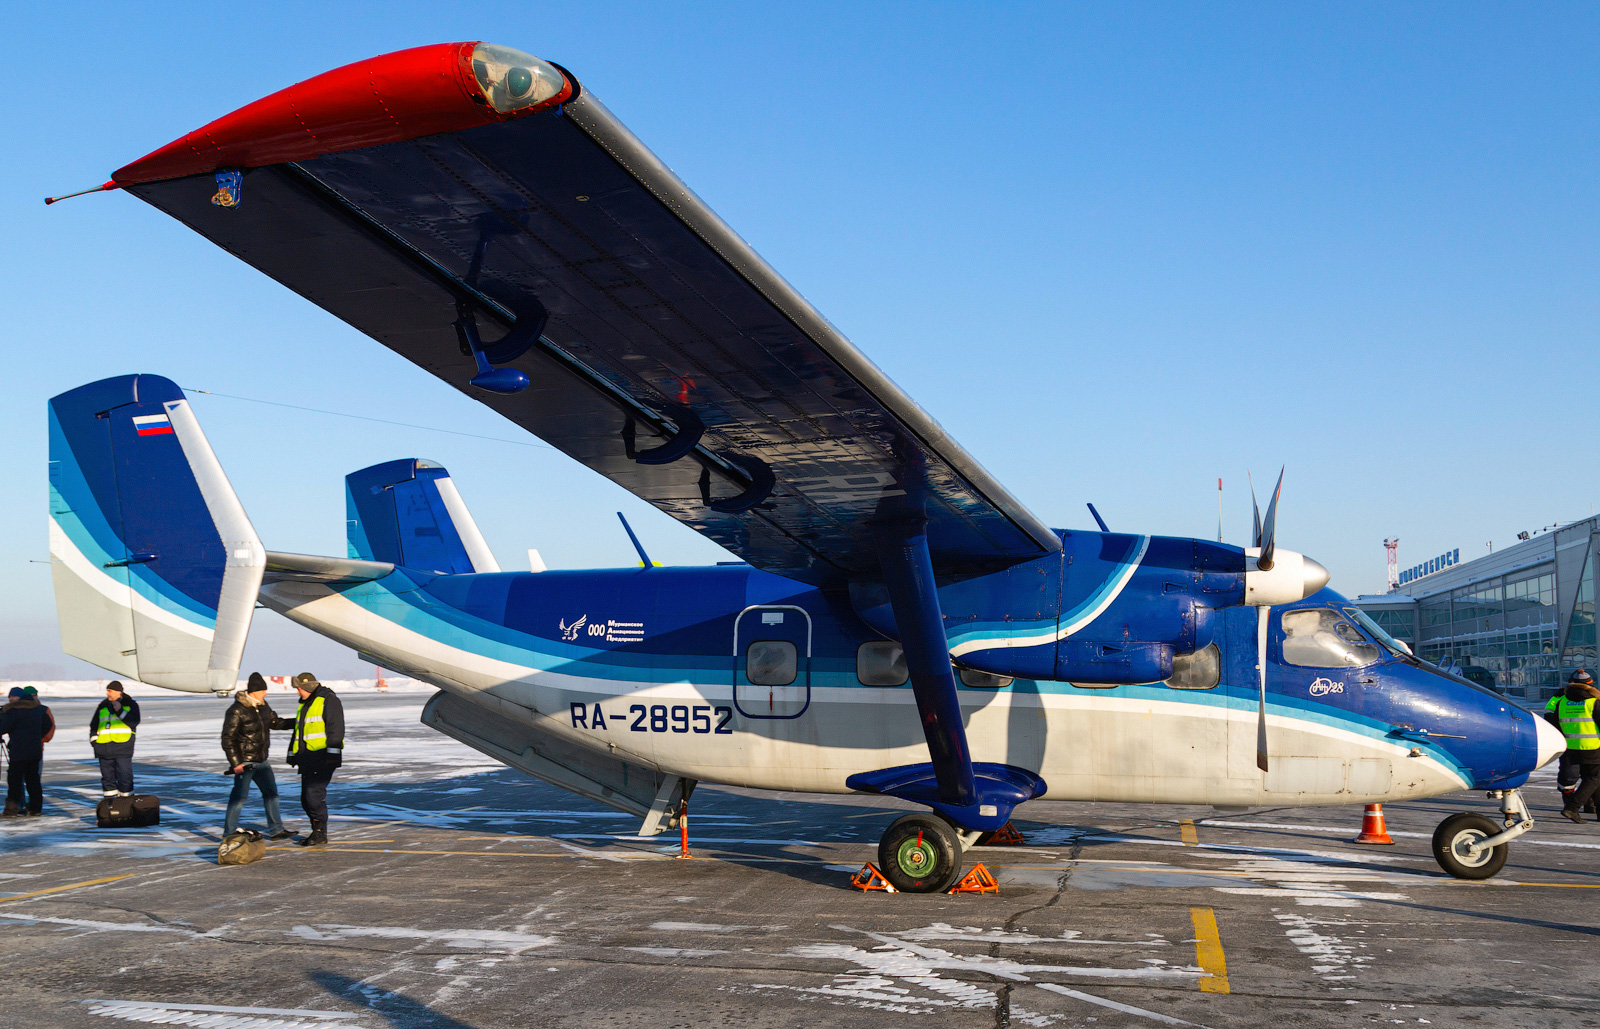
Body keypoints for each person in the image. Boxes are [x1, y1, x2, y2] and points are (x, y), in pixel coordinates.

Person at [220, 673, 294, 840]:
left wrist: (299, 722)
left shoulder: (263, 706)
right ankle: (228, 833)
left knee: (272, 794)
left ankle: (276, 830)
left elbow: (275, 723)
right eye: (262, 691)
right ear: (253, 691)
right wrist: (236, 763)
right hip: (245, 763)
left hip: (262, 761)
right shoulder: (236, 710)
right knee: (239, 798)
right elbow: (227, 739)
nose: (265, 693)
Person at [285, 672, 344, 847]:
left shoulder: (328, 700)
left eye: (299, 689)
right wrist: (292, 754)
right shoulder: (306, 704)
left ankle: (320, 833)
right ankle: (317, 830)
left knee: (313, 795)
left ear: (307, 687)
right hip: (307, 758)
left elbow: (336, 728)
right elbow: (299, 731)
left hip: (322, 757)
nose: (297, 692)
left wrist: (332, 755)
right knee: (306, 798)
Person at [1545, 669, 1600, 823]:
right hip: (1592, 746)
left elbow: (1552, 720)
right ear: (1590, 685)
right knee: (1593, 778)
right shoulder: (1593, 702)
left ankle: (1594, 809)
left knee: (1587, 778)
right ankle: (1572, 807)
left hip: (1569, 746)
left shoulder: (1561, 701)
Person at [0, 686, 56, 816]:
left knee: (15, 782)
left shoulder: (14, 711)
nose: (11, 699)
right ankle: (35, 809)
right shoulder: (38, 710)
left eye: (13, 696)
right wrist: (37, 737)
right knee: (33, 781)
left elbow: (3, 728)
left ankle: (12, 810)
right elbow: (48, 724)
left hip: (18, 752)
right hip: (35, 751)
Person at [89, 681, 141, 800]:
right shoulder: (103, 706)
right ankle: (110, 805)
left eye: (109, 691)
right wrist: (94, 742)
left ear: (118, 692)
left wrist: (119, 710)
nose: (107, 693)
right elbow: (94, 725)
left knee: (125, 778)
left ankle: (126, 804)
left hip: (123, 748)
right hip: (104, 749)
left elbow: (134, 722)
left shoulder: (130, 704)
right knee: (107, 780)